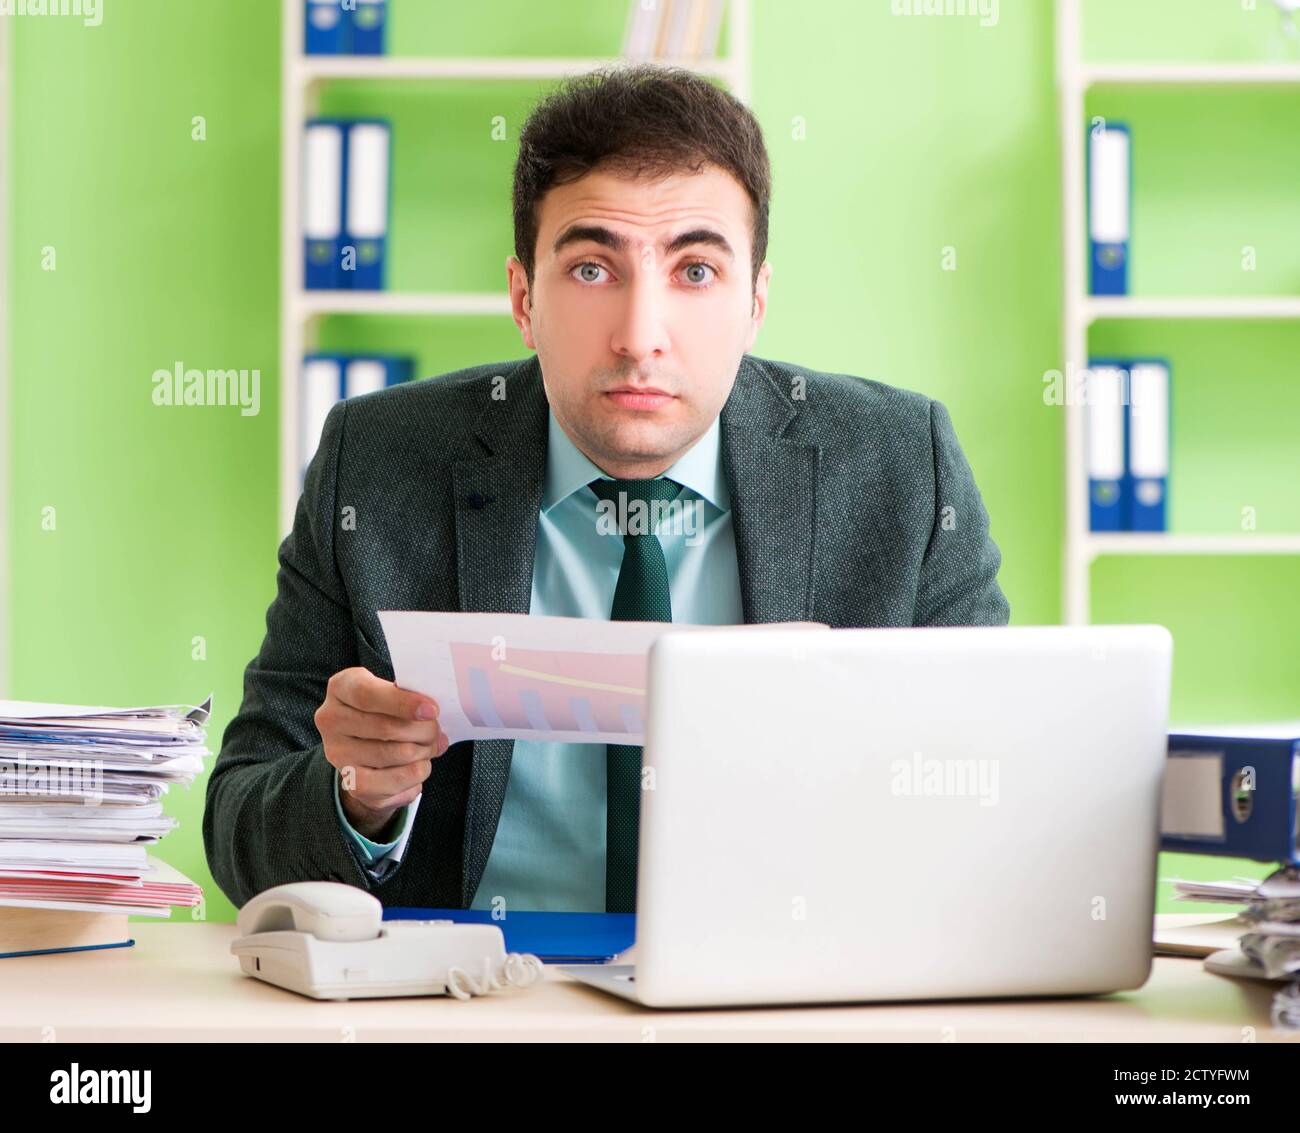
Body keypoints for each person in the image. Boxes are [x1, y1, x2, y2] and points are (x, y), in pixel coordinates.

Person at [204, 63, 1010, 914]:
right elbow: (238, 823)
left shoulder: (900, 467)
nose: (639, 337)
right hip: (480, 982)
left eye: (695, 271)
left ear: (756, 301)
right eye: (593, 269)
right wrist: (356, 797)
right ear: (524, 298)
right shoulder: (376, 462)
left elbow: (1000, 788)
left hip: (782, 978)